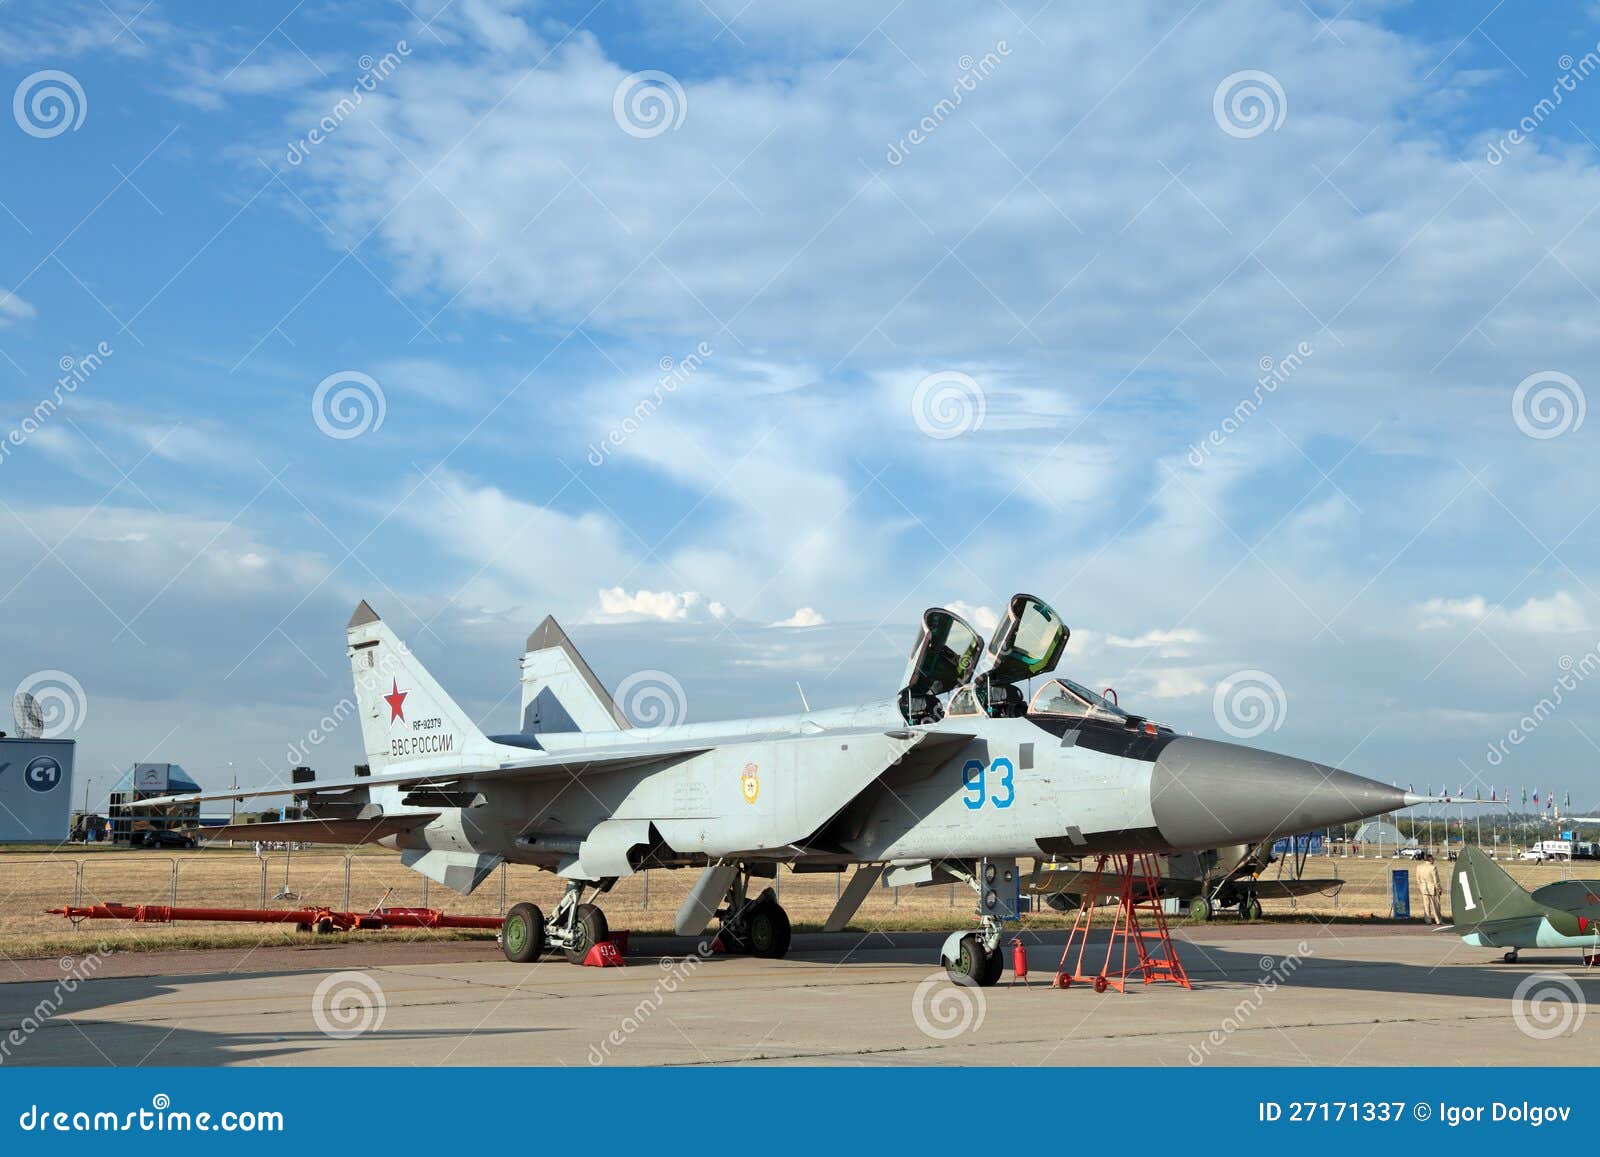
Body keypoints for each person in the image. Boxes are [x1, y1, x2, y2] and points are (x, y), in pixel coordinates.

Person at [1416, 853, 1444, 924]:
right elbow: (1436, 880)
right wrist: (1439, 889)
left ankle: (1428, 920)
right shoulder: (1433, 867)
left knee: (1426, 905)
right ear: (1430, 859)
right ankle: (1438, 920)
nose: (1434, 860)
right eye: (1433, 858)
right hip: (1433, 888)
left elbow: (1418, 879)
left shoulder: (1419, 867)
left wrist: (1421, 887)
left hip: (1424, 888)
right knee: (1436, 905)